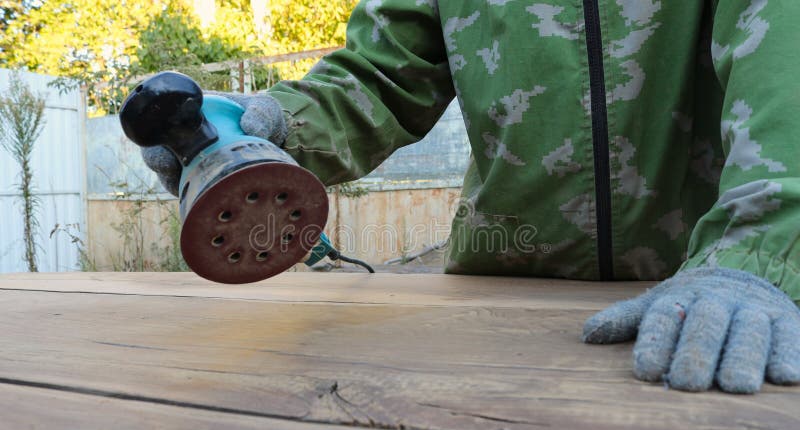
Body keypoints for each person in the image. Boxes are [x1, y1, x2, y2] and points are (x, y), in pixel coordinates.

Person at [142, 0, 799, 394]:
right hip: (500, 302)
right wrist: (276, 128)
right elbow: (381, 74)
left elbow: (784, 53)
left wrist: (762, 253)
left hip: (715, 302)